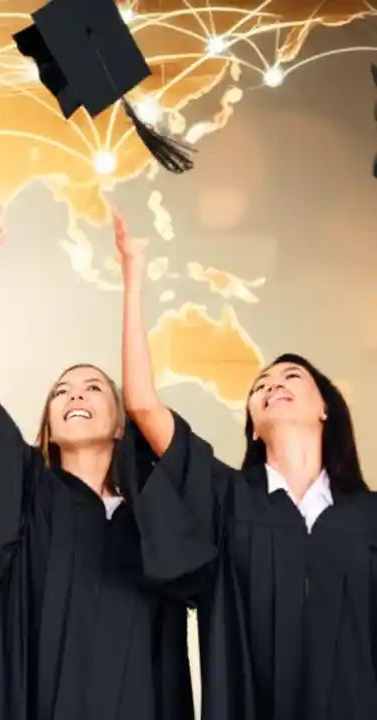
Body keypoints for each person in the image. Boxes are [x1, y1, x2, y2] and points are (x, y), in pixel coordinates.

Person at [0, 202, 193, 719]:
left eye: (93, 387)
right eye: (62, 391)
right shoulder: (28, 490)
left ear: (119, 424)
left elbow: (142, 397)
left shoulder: (150, 513)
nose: (75, 395)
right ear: (47, 426)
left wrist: (134, 280)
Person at [118, 212, 377, 719]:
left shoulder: (368, 517)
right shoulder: (227, 499)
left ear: (325, 406)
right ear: (254, 426)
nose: (273, 385)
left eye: (291, 376)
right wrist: (133, 278)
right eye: (259, 387)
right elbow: (144, 405)